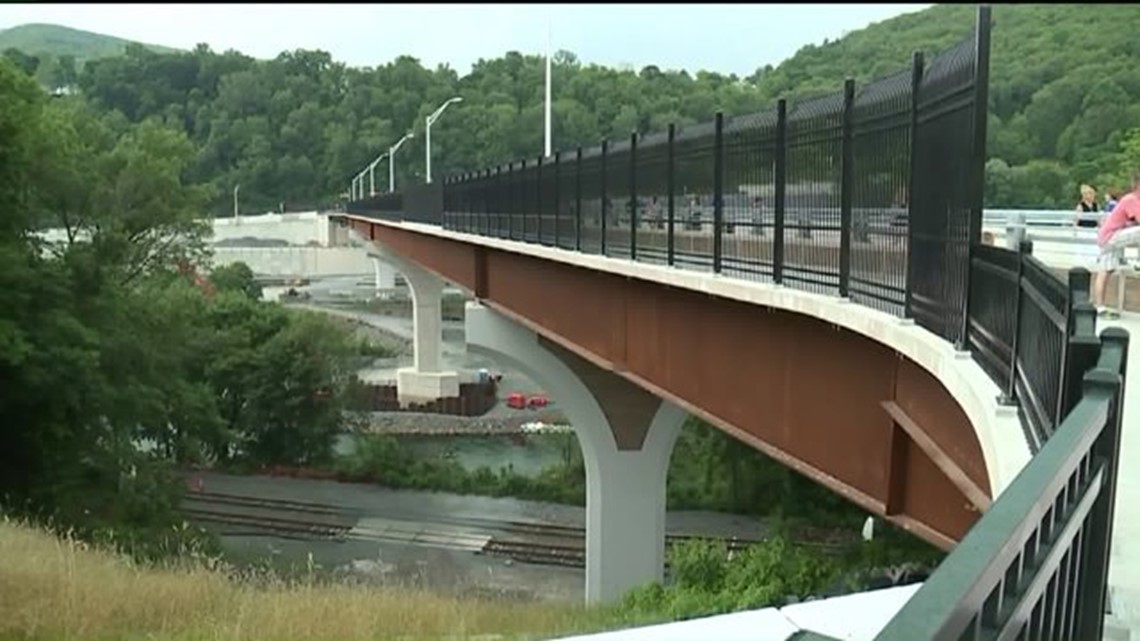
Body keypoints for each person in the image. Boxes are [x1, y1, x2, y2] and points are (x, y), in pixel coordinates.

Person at [1093, 173, 1140, 316]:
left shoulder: (1130, 199)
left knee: (1105, 271)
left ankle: (1100, 307)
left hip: (1105, 238)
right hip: (1111, 236)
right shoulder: (1132, 199)